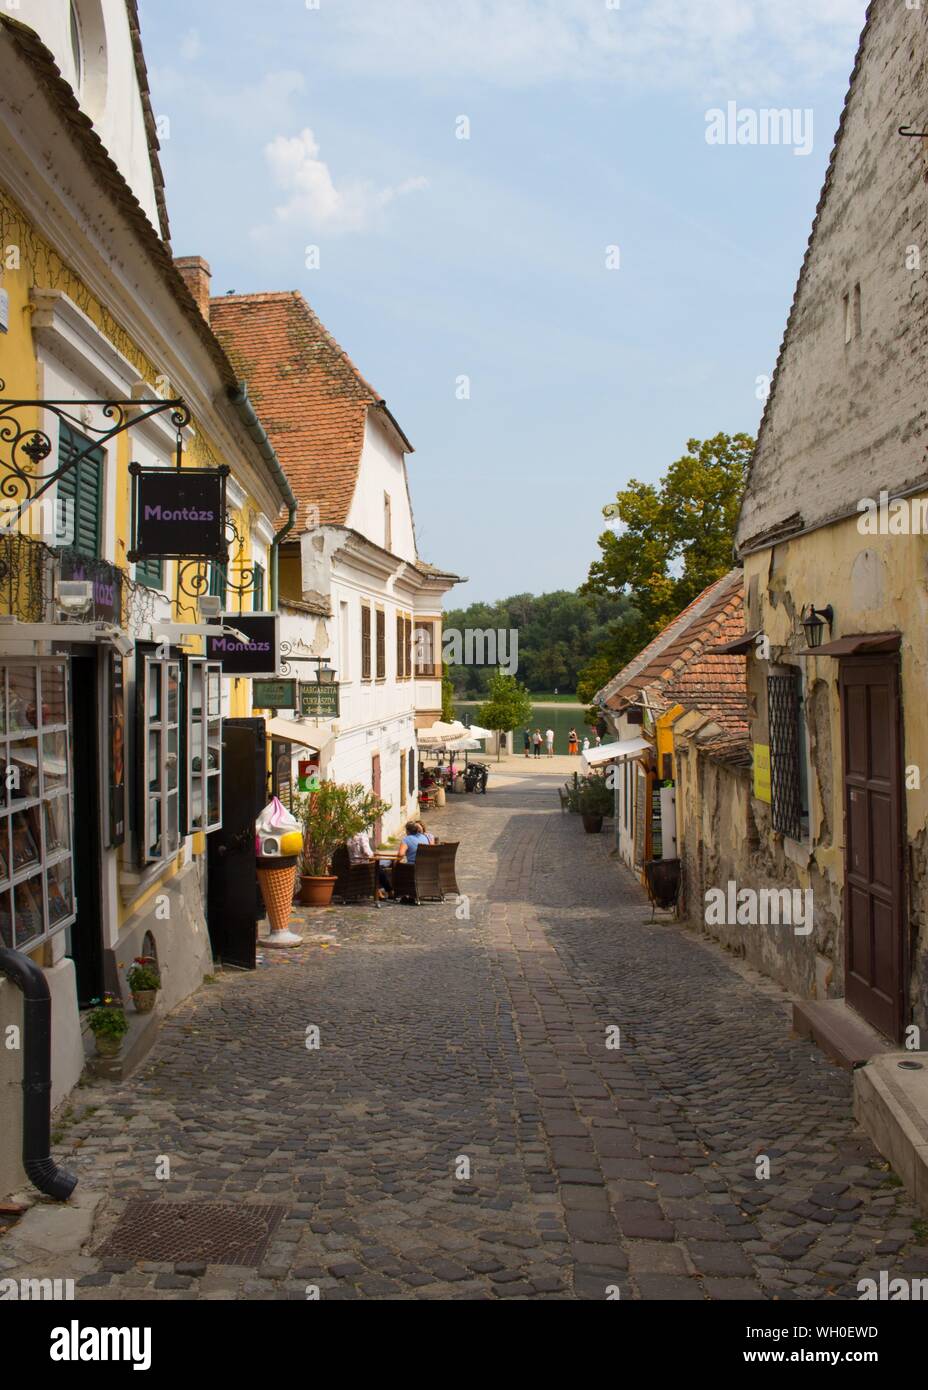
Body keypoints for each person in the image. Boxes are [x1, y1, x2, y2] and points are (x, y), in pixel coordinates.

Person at [348, 826, 393, 897]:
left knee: (379, 867)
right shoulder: (361, 836)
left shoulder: (348, 837)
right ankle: (387, 891)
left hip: (351, 865)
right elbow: (367, 853)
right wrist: (374, 854)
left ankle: (380, 891)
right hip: (362, 866)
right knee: (380, 868)